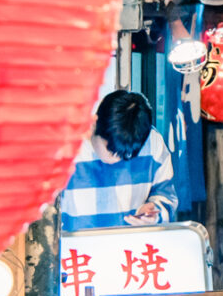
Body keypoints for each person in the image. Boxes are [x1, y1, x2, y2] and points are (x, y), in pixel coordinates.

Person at [58, 90, 177, 234]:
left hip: (129, 251)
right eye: (110, 150)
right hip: (76, 251)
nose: (116, 159)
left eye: (125, 155)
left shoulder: (152, 142)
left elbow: (167, 196)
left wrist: (154, 214)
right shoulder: (64, 147)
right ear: (95, 123)